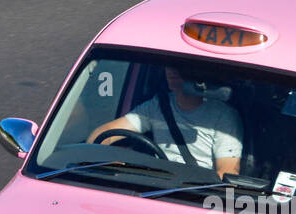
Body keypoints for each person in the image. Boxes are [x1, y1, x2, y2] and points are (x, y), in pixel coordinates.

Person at [87, 65, 242, 178]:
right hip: (155, 185)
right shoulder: (158, 105)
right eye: (169, 64)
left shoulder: (223, 116)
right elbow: (101, 136)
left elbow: (227, 175)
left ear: (198, 73)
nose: (171, 69)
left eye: (180, 65)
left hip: (195, 195)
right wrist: (112, 166)